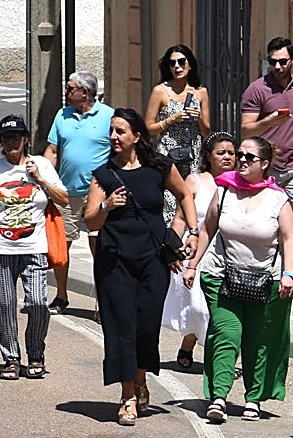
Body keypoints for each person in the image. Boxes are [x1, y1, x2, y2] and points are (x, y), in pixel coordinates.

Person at [85, 105, 194, 425]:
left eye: (121, 131)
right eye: (112, 131)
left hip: (152, 259)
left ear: (136, 136)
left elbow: (185, 195)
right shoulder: (103, 173)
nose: (114, 136)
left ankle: (141, 378)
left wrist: (194, 231)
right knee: (121, 328)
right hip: (115, 260)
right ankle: (127, 395)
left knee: (146, 325)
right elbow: (90, 219)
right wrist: (106, 205)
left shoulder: (159, 167)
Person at [183, 134, 293, 423]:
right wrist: (193, 265)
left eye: (249, 157)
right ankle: (219, 397)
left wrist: (288, 274)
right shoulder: (224, 191)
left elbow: (289, 238)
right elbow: (207, 230)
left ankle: (253, 398)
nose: (241, 160)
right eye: (239, 155)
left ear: (265, 164)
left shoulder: (278, 199)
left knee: (259, 341)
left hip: (265, 281)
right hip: (221, 276)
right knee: (226, 334)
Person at [0, 114, 68, 380]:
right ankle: (11, 358)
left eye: (16, 136)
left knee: (38, 303)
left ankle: (36, 353)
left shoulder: (40, 164)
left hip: (34, 246)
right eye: (6, 138)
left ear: (26, 138)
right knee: (4, 304)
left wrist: (39, 178)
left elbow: (63, 199)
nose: (11, 142)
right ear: (0, 142)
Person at [240, 36, 293, 302]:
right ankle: (278, 275)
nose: (277, 66)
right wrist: (271, 120)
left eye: (282, 61)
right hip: (268, 167)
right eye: (272, 62)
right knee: (271, 225)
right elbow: (246, 129)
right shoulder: (257, 90)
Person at [44, 69, 113, 312]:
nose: (65, 92)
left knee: (100, 247)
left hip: (99, 192)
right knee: (62, 245)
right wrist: (45, 177)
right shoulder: (62, 116)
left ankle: (102, 300)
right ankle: (61, 295)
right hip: (68, 191)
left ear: (84, 92)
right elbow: (52, 151)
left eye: (70, 88)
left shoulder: (108, 116)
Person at [169, 132, 234, 370]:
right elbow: (179, 218)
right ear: (208, 155)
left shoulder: (238, 182)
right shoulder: (195, 181)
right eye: (221, 153)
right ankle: (189, 341)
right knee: (198, 307)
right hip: (195, 250)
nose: (227, 157)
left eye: (231, 153)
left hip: (226, 253)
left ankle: (219, 358)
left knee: (219, 309)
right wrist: (173, 247)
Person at [145, 45, 209, 180]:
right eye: (172, 63)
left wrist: (199, 117)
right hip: (167, 153)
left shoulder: (200, 91)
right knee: (169, 198)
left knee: (192, 196)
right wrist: (171, 119)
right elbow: (149, 128)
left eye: (181, 62)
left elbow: (206, 131)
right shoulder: (160, 91)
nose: (177, 67)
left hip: (193, 154)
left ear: (190, 64)